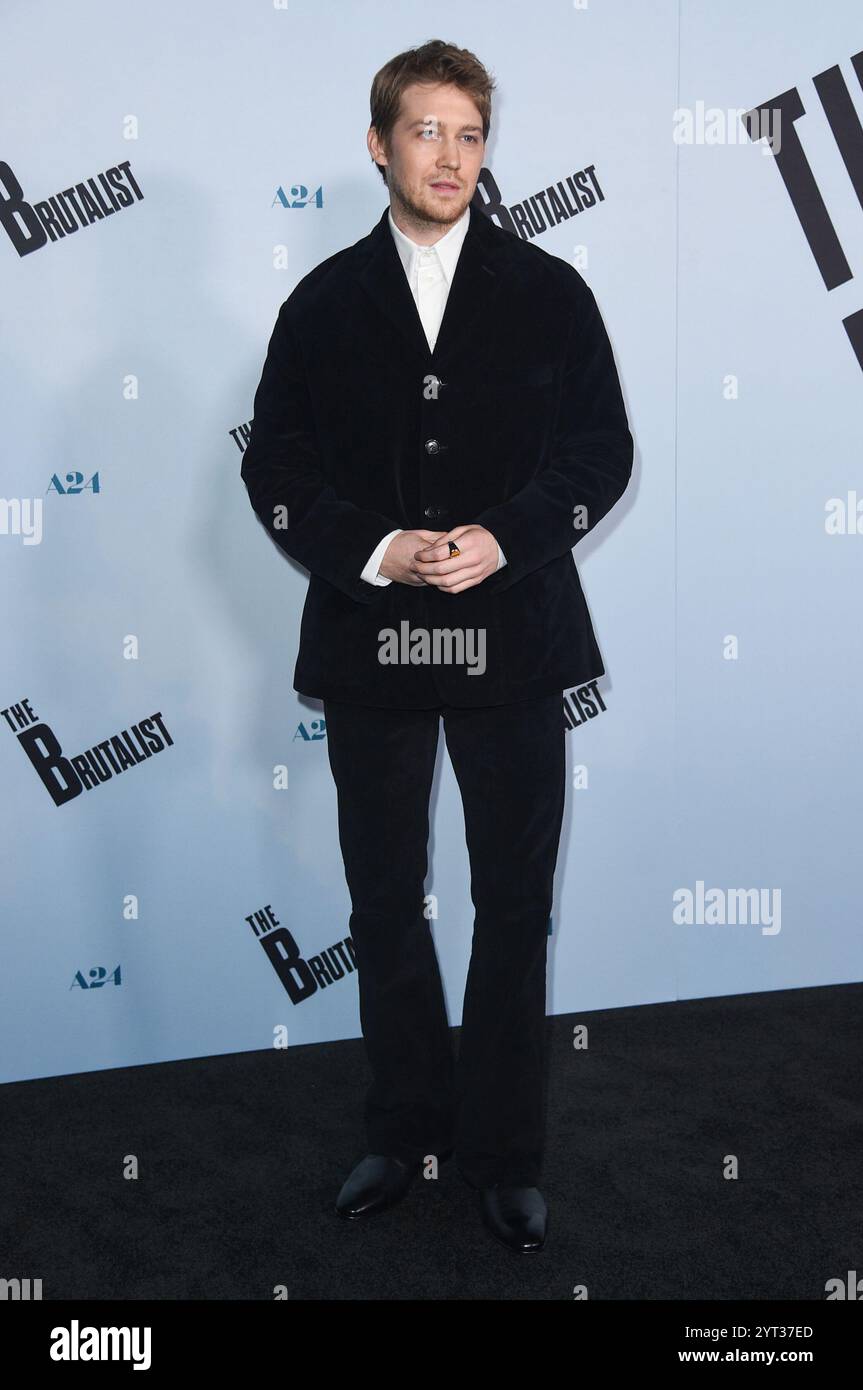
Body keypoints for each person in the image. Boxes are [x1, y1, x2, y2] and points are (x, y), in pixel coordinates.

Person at [240, 38, 633, 1254]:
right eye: (427, 132)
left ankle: (504, 1155)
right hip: (373, 642)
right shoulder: (320, 305)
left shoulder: (550, 292)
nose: (451, 156)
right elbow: (275, 466)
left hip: (514, 639)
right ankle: (402, 1129)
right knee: (384, 896)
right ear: (379, 145)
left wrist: (504, 537)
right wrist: (378, 549)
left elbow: (600, 450)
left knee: (512, 902)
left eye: (469, 135)